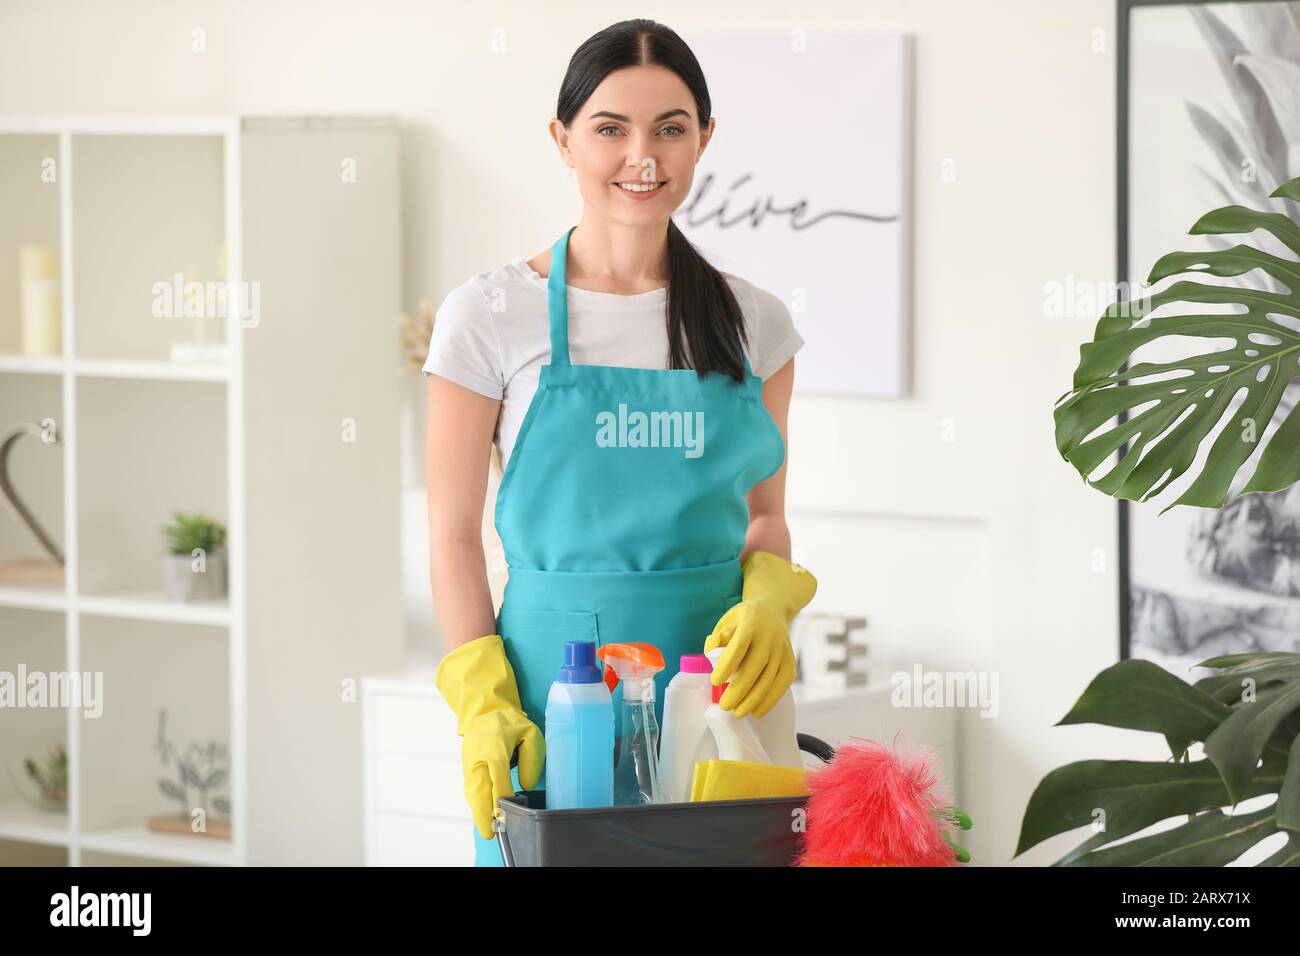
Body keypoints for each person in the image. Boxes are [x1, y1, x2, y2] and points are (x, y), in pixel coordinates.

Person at [423, 18, 817, 867]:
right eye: (611, 129)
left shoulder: (756, 324)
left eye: (671, 128)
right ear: (564, 140)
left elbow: (766, 519)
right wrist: (485, 703)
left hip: (716, 706)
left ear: (703, 138)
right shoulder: (490, 318)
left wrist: (770, 603)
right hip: (548, 700)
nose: (644, 156)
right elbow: (453, 536)